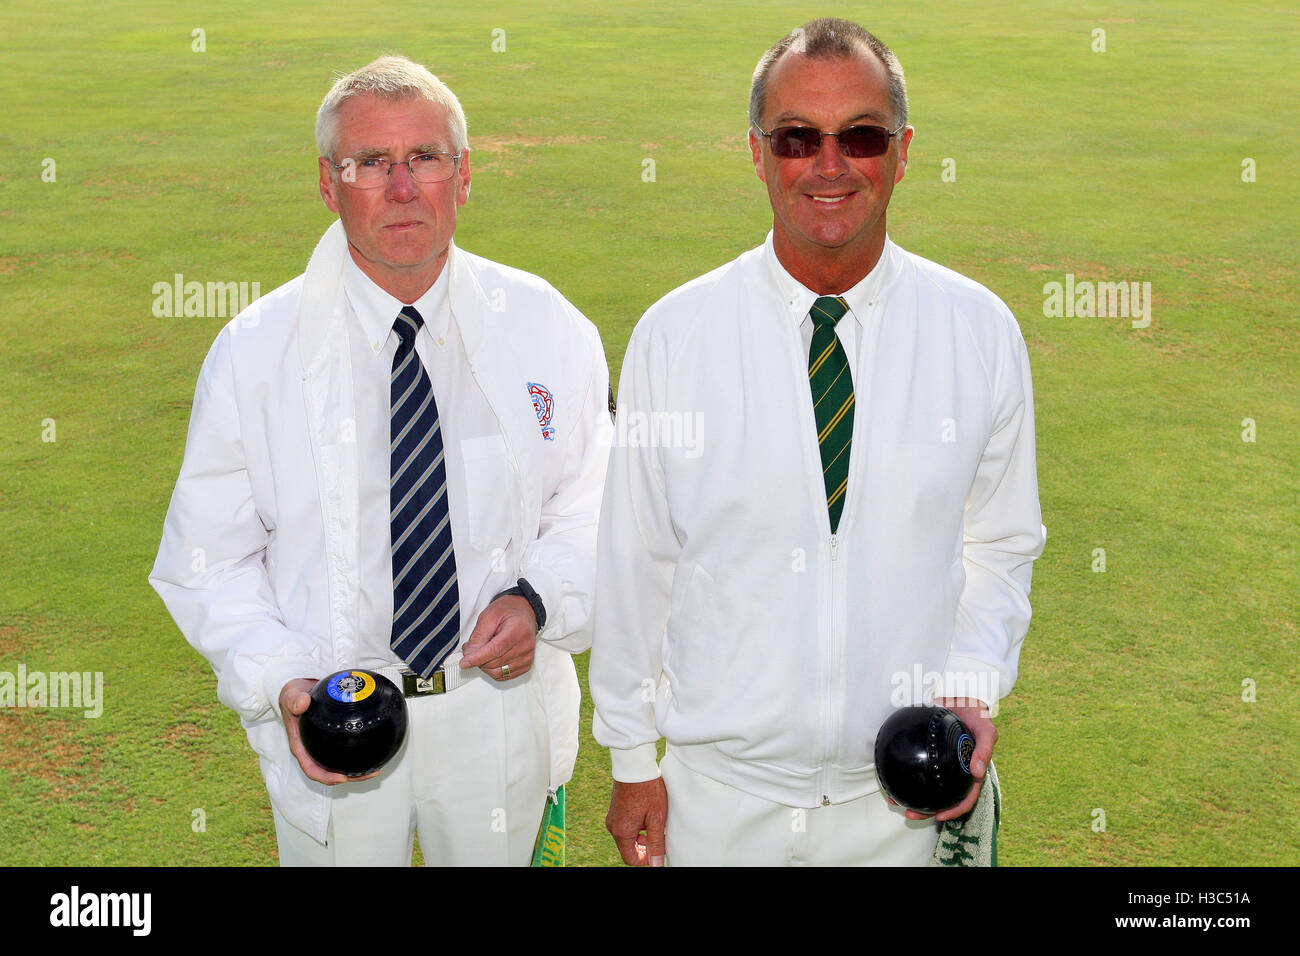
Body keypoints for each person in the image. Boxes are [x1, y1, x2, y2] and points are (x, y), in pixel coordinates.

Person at [590, 18, 1045, 866]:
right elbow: (634, 561)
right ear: (758, 152)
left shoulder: (978, 329)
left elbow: (1000, 540)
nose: (829, 164)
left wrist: (971, 685)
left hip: (904, 802)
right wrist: (628, 756)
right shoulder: (674, 334)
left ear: (903, 152)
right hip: (718, 800)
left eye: (861, 136)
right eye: (798, 137)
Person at [151, 55, 612, 866]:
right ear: (329, 185)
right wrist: (283, 680)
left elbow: (594, 505)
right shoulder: (254, 351)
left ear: (463, 176)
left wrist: (540, 600)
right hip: (334, 720)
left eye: (425, 158)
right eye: (370, 163)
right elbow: (208, 562)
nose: (402, 188)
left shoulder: (547, 325)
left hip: (495, 714)